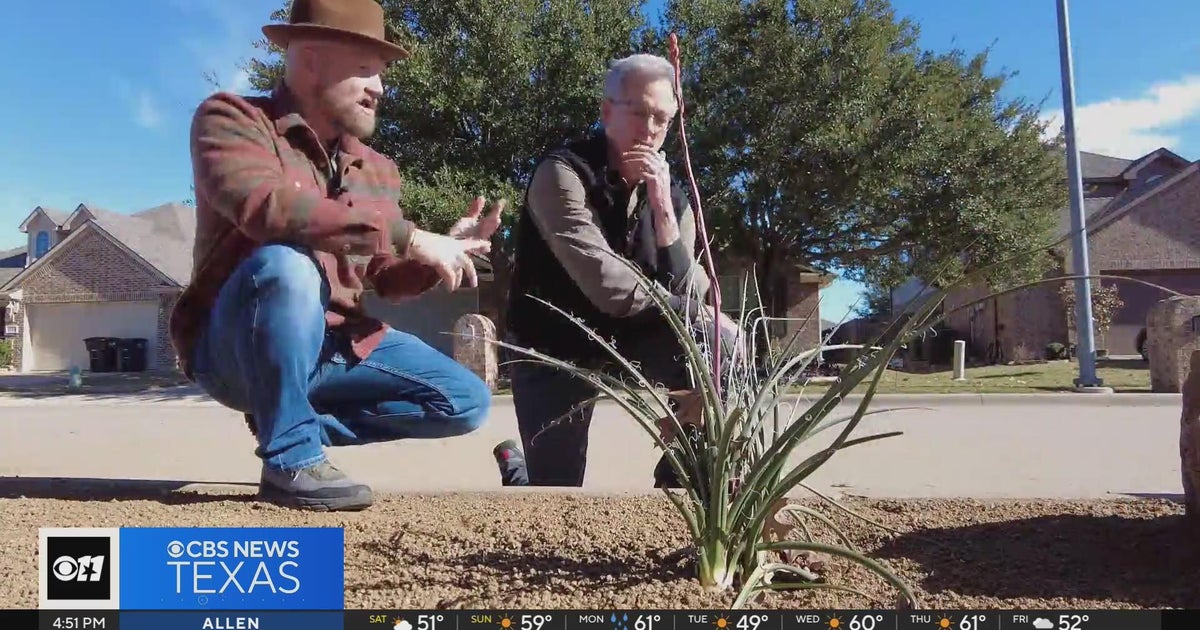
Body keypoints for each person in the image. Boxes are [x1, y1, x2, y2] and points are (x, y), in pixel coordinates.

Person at [170, 0, 504, 512]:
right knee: (286, 264)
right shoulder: (232, 119)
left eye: (382, 73)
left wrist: (437, 255)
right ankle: (293, 456)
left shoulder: (378, 168)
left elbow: (385, 279)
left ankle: (286, 417)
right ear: (310, 61)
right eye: (367, 69)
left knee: (466, 402)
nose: (381, 88)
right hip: (236, 347)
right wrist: (410, 236)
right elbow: (268, 209)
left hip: (338, 345)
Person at [498, 53, 743, 487]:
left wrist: (665, 212)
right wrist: (694, 312)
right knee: (555, 492)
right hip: (553, 343)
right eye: (639, 113)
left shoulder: (673, 196)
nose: (650, 129)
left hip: (629, 336)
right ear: (607, 111)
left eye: (662, 119)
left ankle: (682, 476)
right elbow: (608, 285)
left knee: (720, 345)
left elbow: (692, 286)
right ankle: (515, 468)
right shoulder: (562, 173)